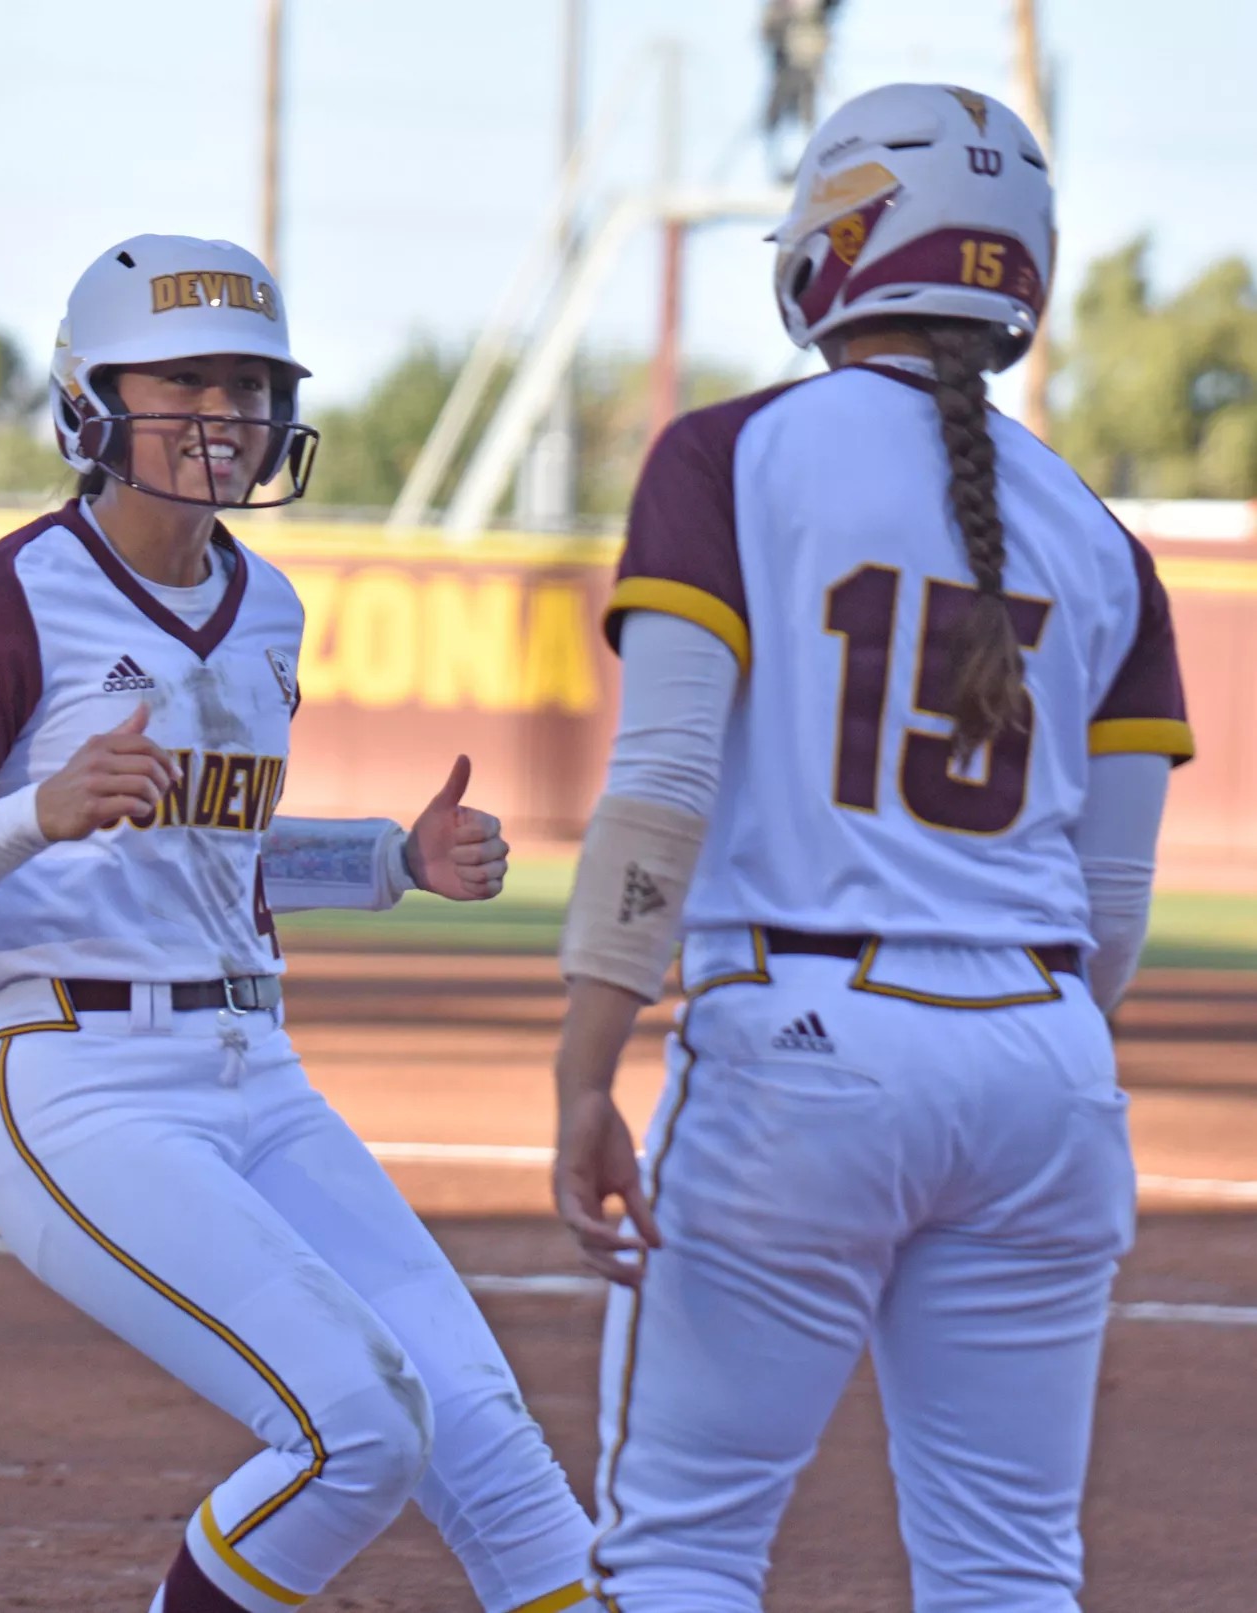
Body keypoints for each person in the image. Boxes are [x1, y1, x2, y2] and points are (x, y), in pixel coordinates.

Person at [0, 234, 594, 1613]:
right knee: (353, 1433)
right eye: (181, 378)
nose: (224, 414)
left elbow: (214, 854)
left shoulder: (270, 606)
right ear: (90, 400)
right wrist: (35, 813)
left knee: (492, 1443)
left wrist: (392, 861)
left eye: (249, 384)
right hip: (76, 1080)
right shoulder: (11, 595)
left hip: (257, 1067)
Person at [548, 85, 1193, 1612]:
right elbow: (1114, 906)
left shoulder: (730, 455)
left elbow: (661, 786)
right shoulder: (1105, 538)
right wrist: (1007, 1047)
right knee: (1011, 1567)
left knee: (687, 1547)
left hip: (804, 1042)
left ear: (837, 245)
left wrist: (585, 1068)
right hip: (1043, 1062)